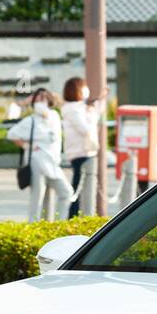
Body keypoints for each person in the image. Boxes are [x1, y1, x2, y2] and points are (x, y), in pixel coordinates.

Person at [7, 88, 74, 222]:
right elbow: (11, 134)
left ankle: (59, 223)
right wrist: (27, 146)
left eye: (43, 99)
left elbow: (63, 104)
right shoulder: (30, 121)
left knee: (66, 192)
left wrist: (47, 100)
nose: (40, 103)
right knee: (37, 197)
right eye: (37, 100)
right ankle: (34, 224)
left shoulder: (54, 116)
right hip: (37, 161)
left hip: (53, 163)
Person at [62, 76, 105, 218]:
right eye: (83, 87)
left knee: (81, 185)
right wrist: (91, 112)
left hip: (83, 151)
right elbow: (85, 128)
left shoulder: (79, 107)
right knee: (78, 185)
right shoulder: (73, 109)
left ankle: (76, 214)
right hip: (80, 152)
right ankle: (73, 215)